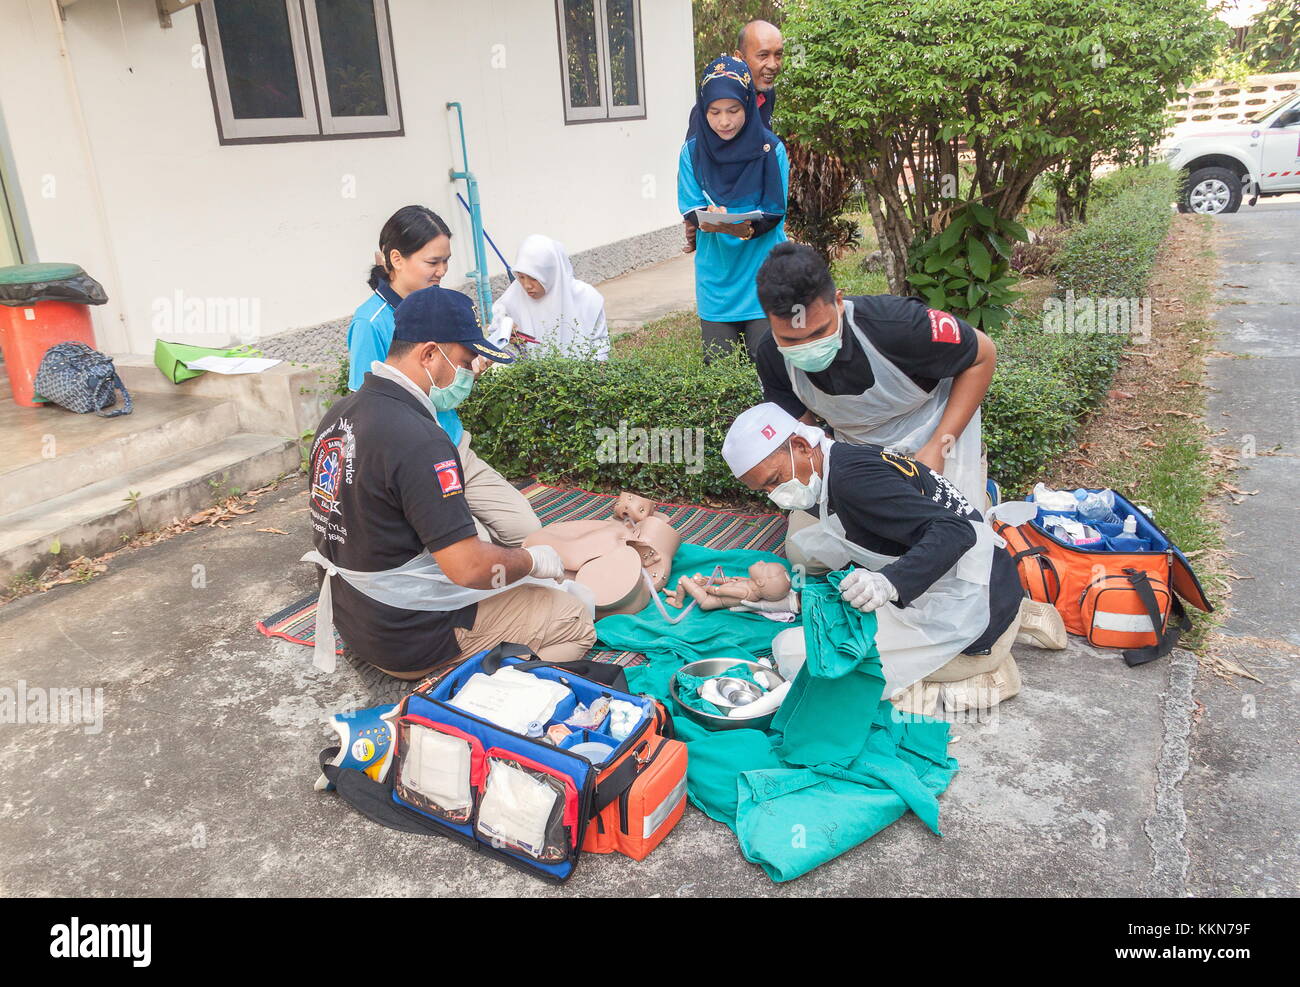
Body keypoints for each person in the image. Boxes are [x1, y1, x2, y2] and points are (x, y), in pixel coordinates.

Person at [304, 286, 596, 681]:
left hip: (355, 619)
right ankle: (472, 700)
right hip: (406, 638)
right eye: (464, 359)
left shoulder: (340, 416)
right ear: (428, 354)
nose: (470, 371)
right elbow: (468, 568)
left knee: (504, 570)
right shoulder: (420, 440)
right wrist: (532, 561)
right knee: (573, 618)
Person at [721, 403, 1065, 712]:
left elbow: (956, 531)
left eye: (774, 481)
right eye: (764, 491)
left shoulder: (855, 482)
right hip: (982, 582)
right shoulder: (836, 464)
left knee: (797, 655)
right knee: (819, 596)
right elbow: (879, 542)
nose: (775, 496)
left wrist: (890, 583)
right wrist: (793, 600)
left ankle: (985, 672)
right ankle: (1019, 615)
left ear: (800, 446)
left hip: (971, 609)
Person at [346, 204, 540, 548]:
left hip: (453, 448)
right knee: (470, 552)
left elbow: (443, 379)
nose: (441, 271)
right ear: (396, 258)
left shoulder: (437, 302)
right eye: (432, 262)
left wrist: (468, 370)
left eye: (446, 261)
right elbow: (368, 410)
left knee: (527, 532)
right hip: (412, 464)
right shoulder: (371, 322)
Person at [752, 242, 995, 511]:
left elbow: (983, 355)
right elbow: (807, 431)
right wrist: (838, 469)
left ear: (839, 302)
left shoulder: (900, 325)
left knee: (959, 535)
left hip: (934, 433)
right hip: (856, 446)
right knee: (808, 550)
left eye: (819, 333)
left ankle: (983, 493)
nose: (807, 347)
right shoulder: (770, 356)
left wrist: (939, 446)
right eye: (790, 340)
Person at [678, 55, 789, 362]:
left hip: (762, 278)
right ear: (702, 110)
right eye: (714, 112)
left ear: (749, 105)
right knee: (719, 372)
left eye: (733, 110)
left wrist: (743, 227)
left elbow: (775, 211)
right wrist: (709, 217)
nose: (724, 121)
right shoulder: (692, 151)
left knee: (768, 369)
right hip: (717, 280)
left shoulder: (772, 150)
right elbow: (690, 206)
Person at [487, 234, 609, 360]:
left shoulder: (587, 299)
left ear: (552, 273)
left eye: (534, 278)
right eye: (521, 277)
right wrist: (507, 338)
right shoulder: (510, 301)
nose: (526, 285)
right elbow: (495, 347)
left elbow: (599, 345)